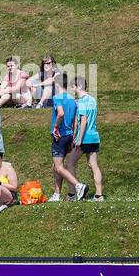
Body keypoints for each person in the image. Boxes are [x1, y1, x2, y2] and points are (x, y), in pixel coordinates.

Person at [48, 75, 86, 203]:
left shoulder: (57, 98)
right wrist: (73, 137)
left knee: (58, 167)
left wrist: (55, 127)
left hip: (60, 136)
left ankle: (78, 186)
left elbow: (60, 113)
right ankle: (57, 194)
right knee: (56, 166)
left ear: (57, 84)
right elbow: (75, 122)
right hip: (69, 136)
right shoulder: (72, 100)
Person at [66, 76, 104, 202]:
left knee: (70, 163)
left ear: (80, 86)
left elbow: (83, 120)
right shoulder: (93, 100)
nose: (73, 89)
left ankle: (72, 193)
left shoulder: (82, 101)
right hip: (94, 137)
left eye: (74, 87)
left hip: (85, 138)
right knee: (93, 165)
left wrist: (79, 139)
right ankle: (99, 195)